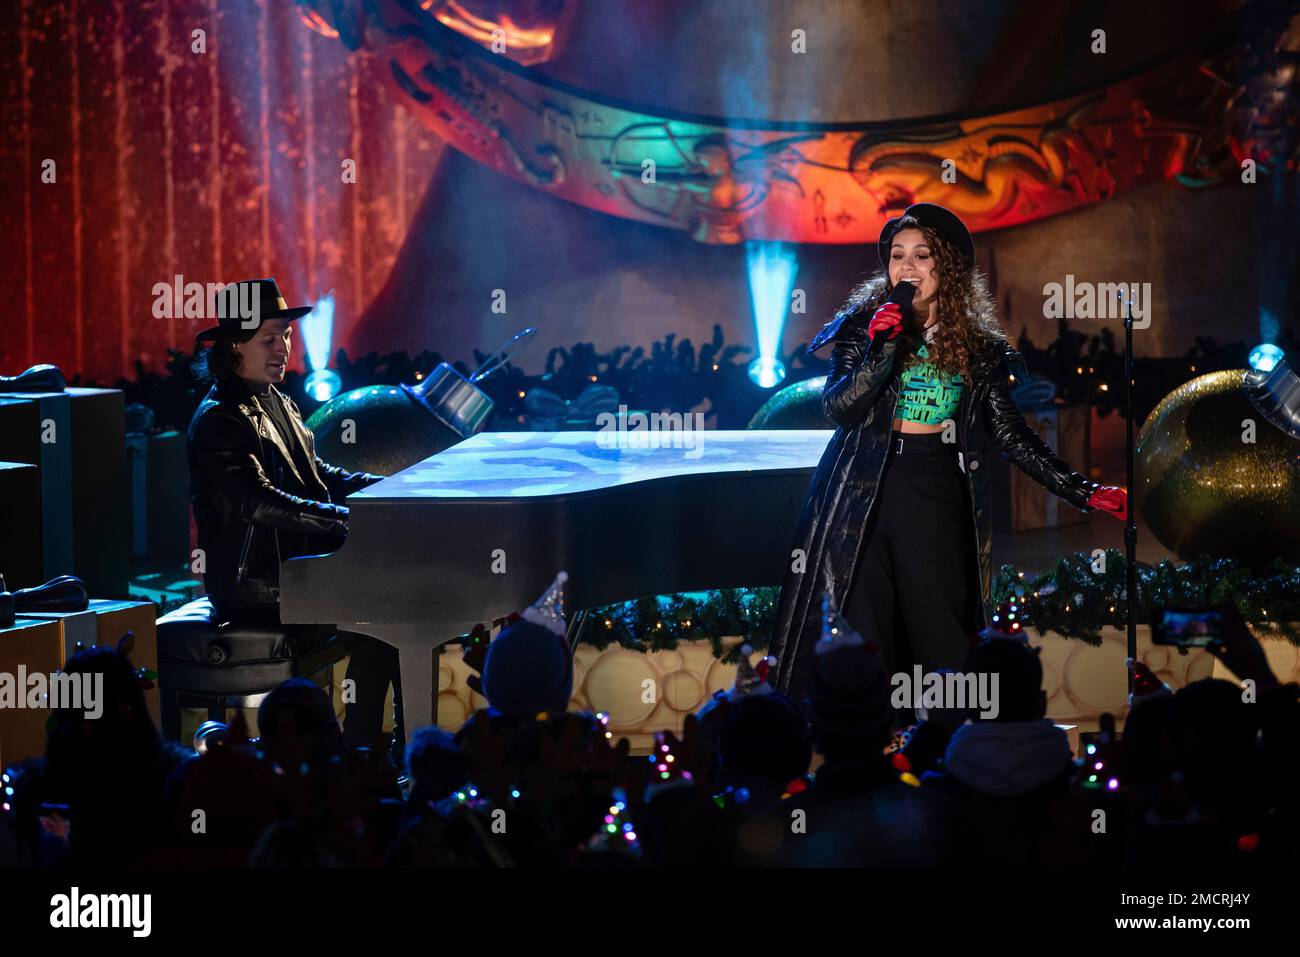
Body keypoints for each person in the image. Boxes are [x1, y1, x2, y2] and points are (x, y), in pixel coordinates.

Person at [769, 204, 1127, 700]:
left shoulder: (980, 349)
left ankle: (945, 750)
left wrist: (1081, 489)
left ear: (949, 267)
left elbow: (1009, 433)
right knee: (862, 630)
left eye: (922, 254)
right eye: (897, 256)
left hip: (934, 486)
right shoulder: (864, 328)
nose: (907, 267)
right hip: (860, 491)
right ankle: (870, 749)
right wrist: (881, 349)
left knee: (941, 632)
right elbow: (840, 409)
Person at [187, 278, 398, 749]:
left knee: (393, 602)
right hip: (255, 585)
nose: (283, 348)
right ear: (234, 346)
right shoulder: (220, 418)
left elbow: (321, 476)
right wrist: (343, 520)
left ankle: (367, 745)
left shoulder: (277, 400)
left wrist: (392, 492)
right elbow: (259, 501)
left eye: (285, 335)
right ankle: (357, 750)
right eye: (269, 338)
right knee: (384, 611)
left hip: (292, 571)